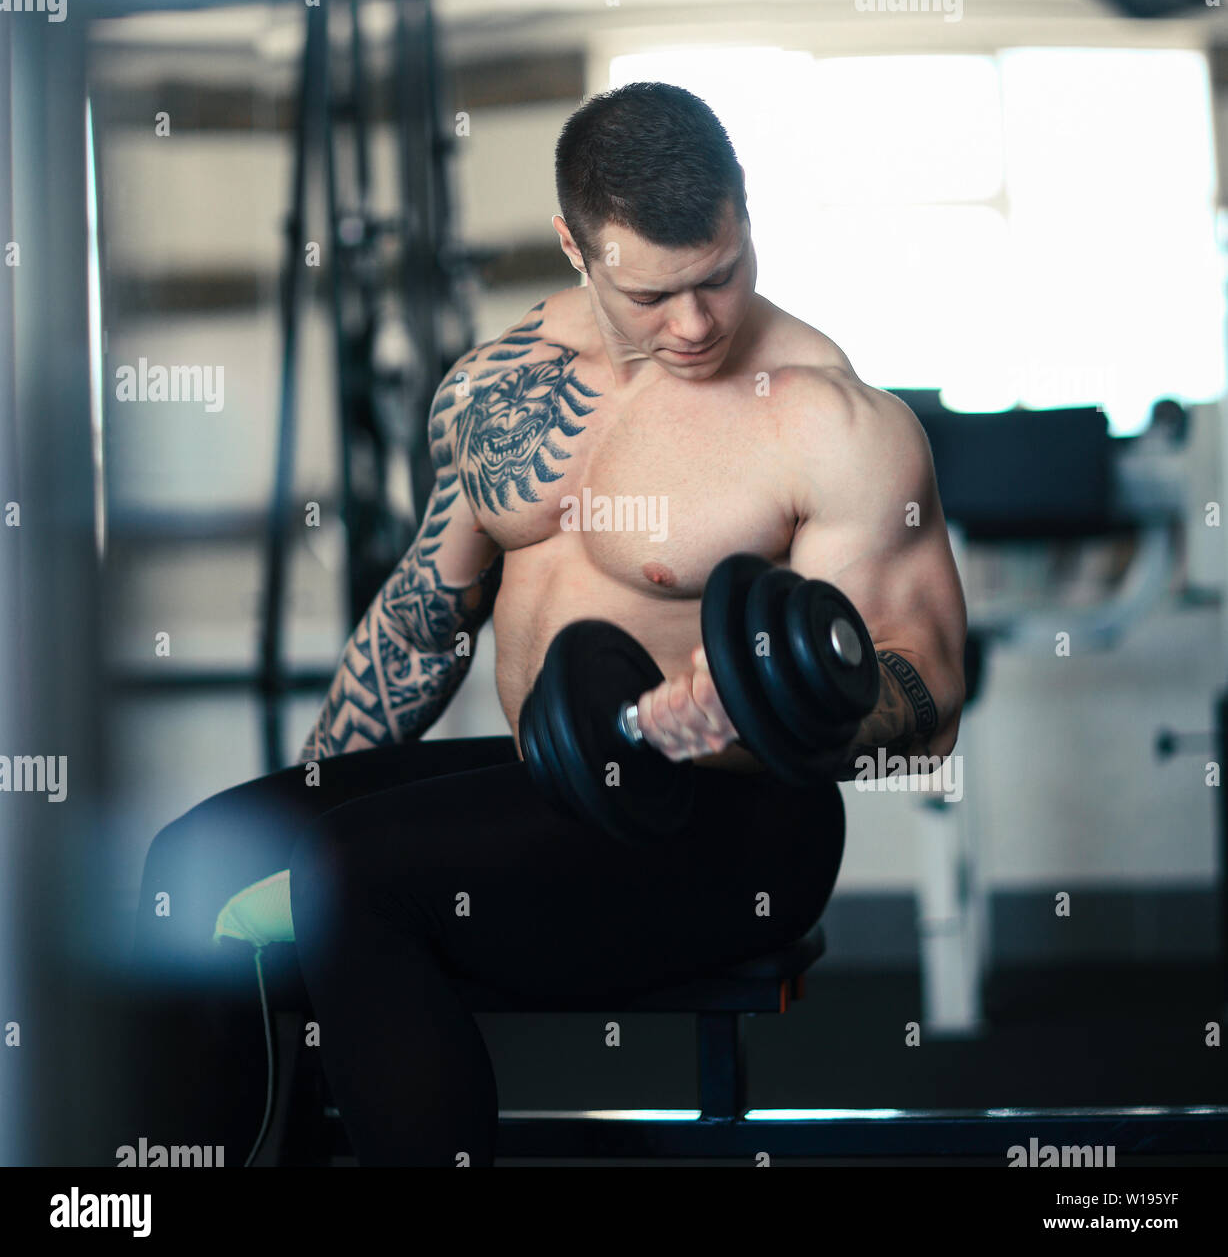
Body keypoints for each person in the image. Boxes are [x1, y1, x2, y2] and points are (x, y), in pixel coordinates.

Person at [133, 80, 967, 1167]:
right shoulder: (495, 386)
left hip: (730, 821)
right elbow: (427, 620)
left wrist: (763, 716)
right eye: (655, 294)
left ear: (745, 213)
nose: (697, 322)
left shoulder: (826, 417)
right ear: (575, 249)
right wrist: (311, 787)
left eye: (719, 274)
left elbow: (925, 683)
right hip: (545, 787)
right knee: (192, 861)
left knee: (351, 873)